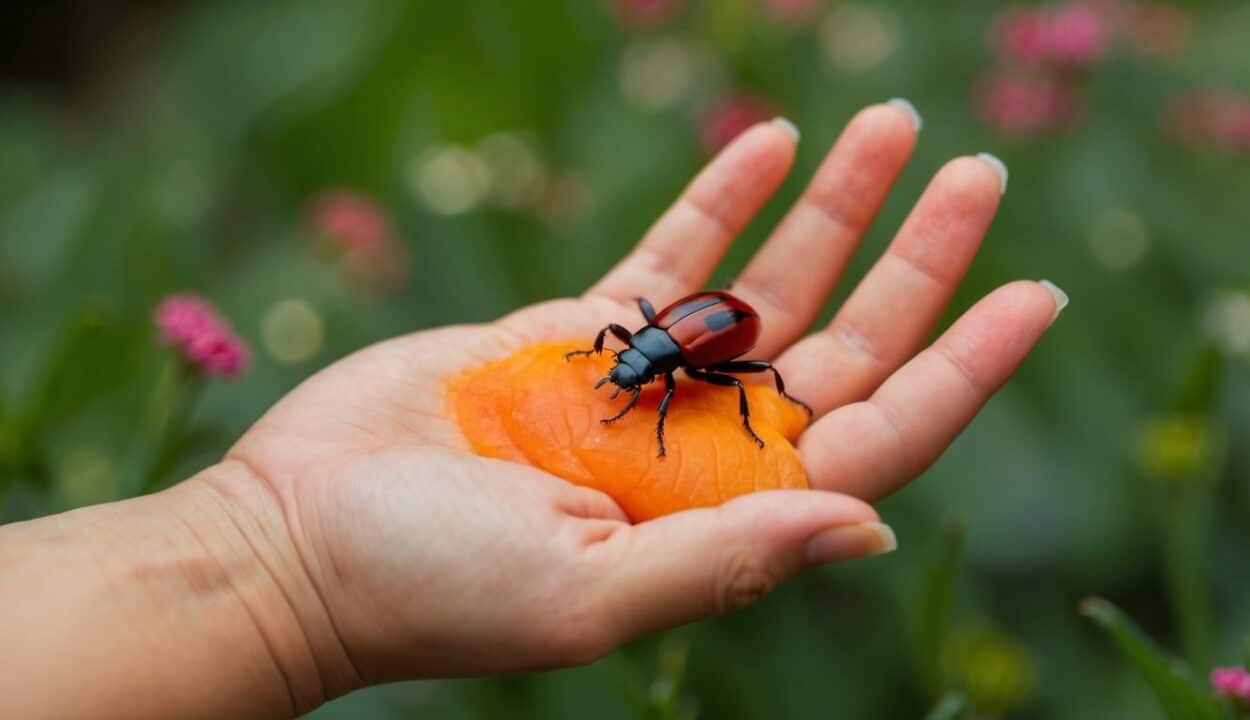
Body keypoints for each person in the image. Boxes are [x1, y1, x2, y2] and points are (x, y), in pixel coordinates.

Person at [0, 101, 1065, 719]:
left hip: (721, 328)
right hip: (701, 320)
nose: (628, 377)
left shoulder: (680, 368)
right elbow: (622, 362)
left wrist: (284, 567)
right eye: (631, 367)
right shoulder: (634, 349)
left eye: (634, 369)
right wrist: (283, 560)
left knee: (748, 391)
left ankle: (754, 407)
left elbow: (677, 380)